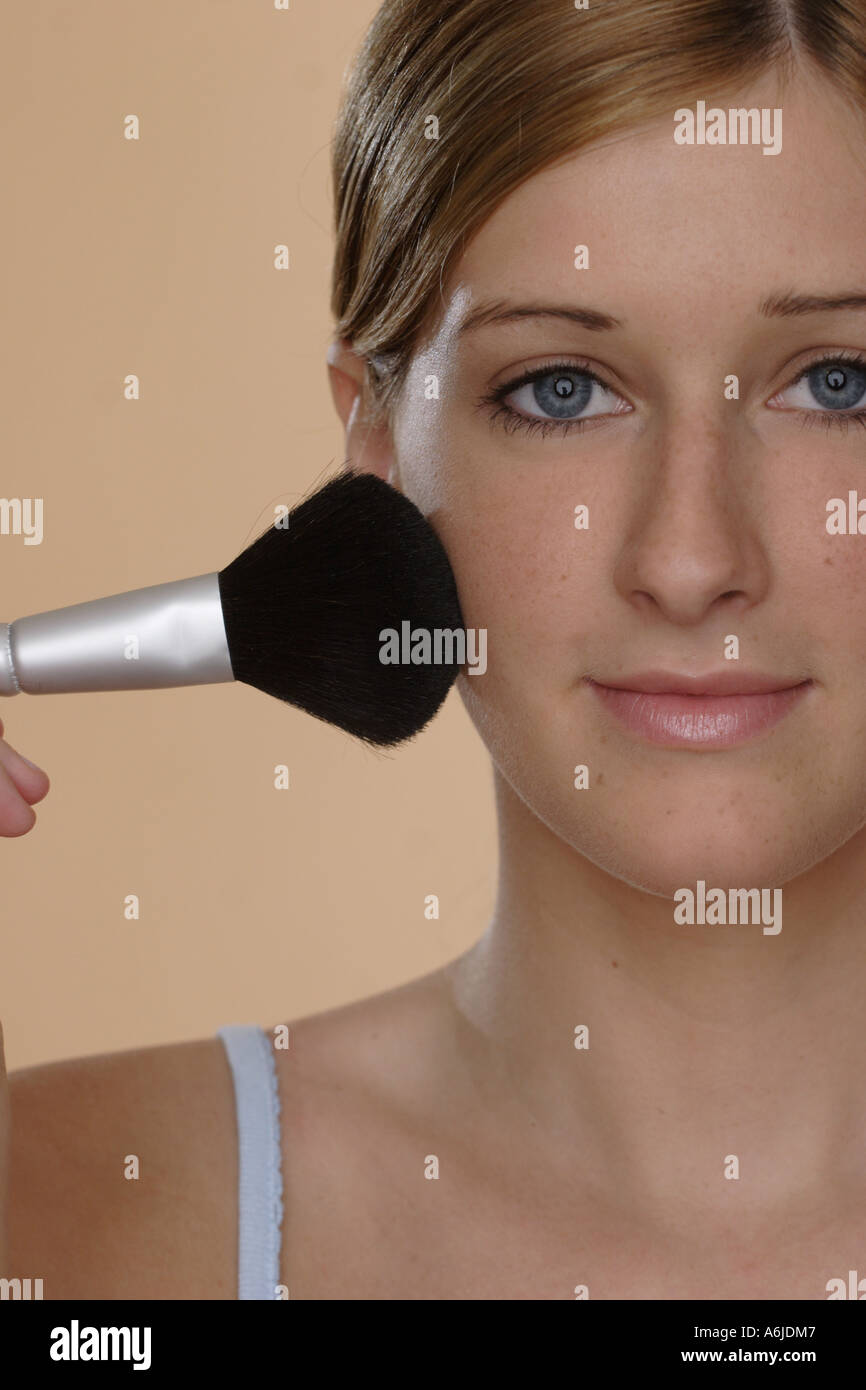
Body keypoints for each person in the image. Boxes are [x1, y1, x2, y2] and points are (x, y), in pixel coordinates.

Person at [4, 0, 866, 1298]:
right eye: (560, 390)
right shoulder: (63, 1208)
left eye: (838, 384)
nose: (691, 561)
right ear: (377, 459)